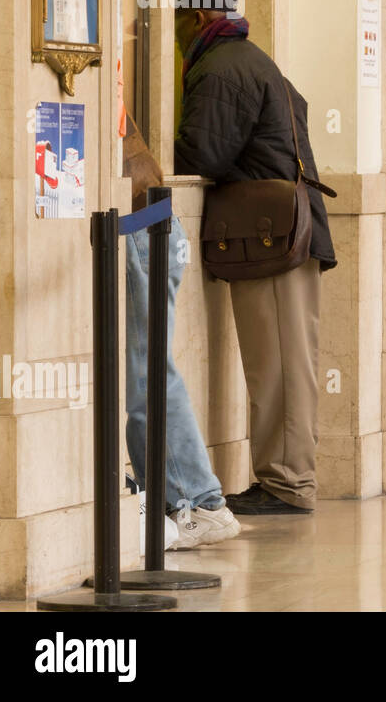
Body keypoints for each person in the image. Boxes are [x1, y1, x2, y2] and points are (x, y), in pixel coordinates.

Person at [174, 0, 336, 515]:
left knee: (282, 365)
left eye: (177, 19)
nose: (172, 34)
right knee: (281, 362)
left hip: (275, 239)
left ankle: (288, 483)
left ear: (198, 19)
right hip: (286, 231)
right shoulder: (251, 59)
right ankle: (283, 478)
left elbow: (202, 156)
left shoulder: (220, 69)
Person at [123, 112, 240, 547]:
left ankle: (199, 504)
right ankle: (188, 500)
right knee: (150, 373)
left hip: (141, 229)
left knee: (147, 377)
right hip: (152, 224)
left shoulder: (96, 94)